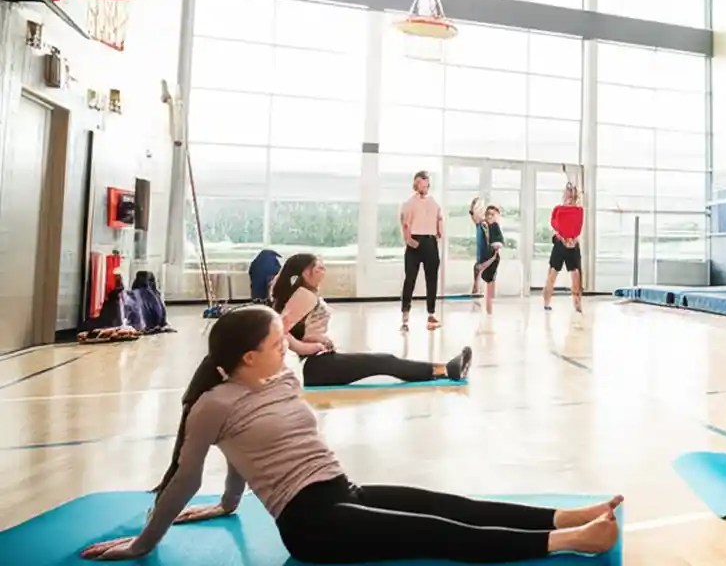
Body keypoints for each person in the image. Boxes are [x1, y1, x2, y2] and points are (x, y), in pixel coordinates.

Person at [78, 306, 622, 563]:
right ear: (247, 357)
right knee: (433, 531)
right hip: (310, 526)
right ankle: (572, 542)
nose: (288, 348)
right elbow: (184, 479)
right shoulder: (212, 406)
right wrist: (144, 543)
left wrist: (228, 504)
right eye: (278, 343)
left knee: (451, 504)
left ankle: (565, 516)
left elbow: (245, 455)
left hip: (343, 491)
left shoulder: (282, 381)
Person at [272, 254, 472, 388]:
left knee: (386, 362)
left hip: (320, 363)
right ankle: (446, 369)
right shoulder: (305, 295)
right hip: (317, 366)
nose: (324, 270)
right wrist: (307, 348)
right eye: (319, 267)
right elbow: (278, 331)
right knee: (385, 362)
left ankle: (444, 369)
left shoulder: (307, 294)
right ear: (306, 273)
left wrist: (315, 342)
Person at [400, 170, 443, 330]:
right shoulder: (409, 203)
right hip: (415, 242)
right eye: (420, 183)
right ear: (415, 184)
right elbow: (405, 223)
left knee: (432, 280)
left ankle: (431, 314)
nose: (423, 186)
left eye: (425, 183)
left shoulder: (434, 203)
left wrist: (439, 234)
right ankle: (405, 317)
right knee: (410, 279)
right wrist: (409, 240)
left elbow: (439, 220)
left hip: (430, 242)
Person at [542, 183, 584, 313]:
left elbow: (578, 227)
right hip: (560, 244)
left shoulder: (579, 210)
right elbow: (554, 224)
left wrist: (572, 239)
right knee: (552, 272)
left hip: (573, 244)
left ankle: (577, 303)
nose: (569, 196)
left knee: (576, 275)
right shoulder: (558, 209)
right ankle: (546, 302)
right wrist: (561, 236)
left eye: (572, 194)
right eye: (568, 193)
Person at [476, 205, 504, 316]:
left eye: (492, 214)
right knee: (489, 282)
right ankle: (488, 309)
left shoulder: (495, 226)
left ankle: (489, 309)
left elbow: (499, 241)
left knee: (490, 282)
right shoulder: (485, 226)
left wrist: (496, 246)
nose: (489, 216)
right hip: (488, 257)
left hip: (493, 257)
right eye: (488, 214)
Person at [470, 196, 486, 298]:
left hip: (485, 255)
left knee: (478, 268)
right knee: (476, 267)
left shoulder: (484, 224)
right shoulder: (479, 224)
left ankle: (477, 288)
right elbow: (473, 216)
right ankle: (476, 288)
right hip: (481, 256)